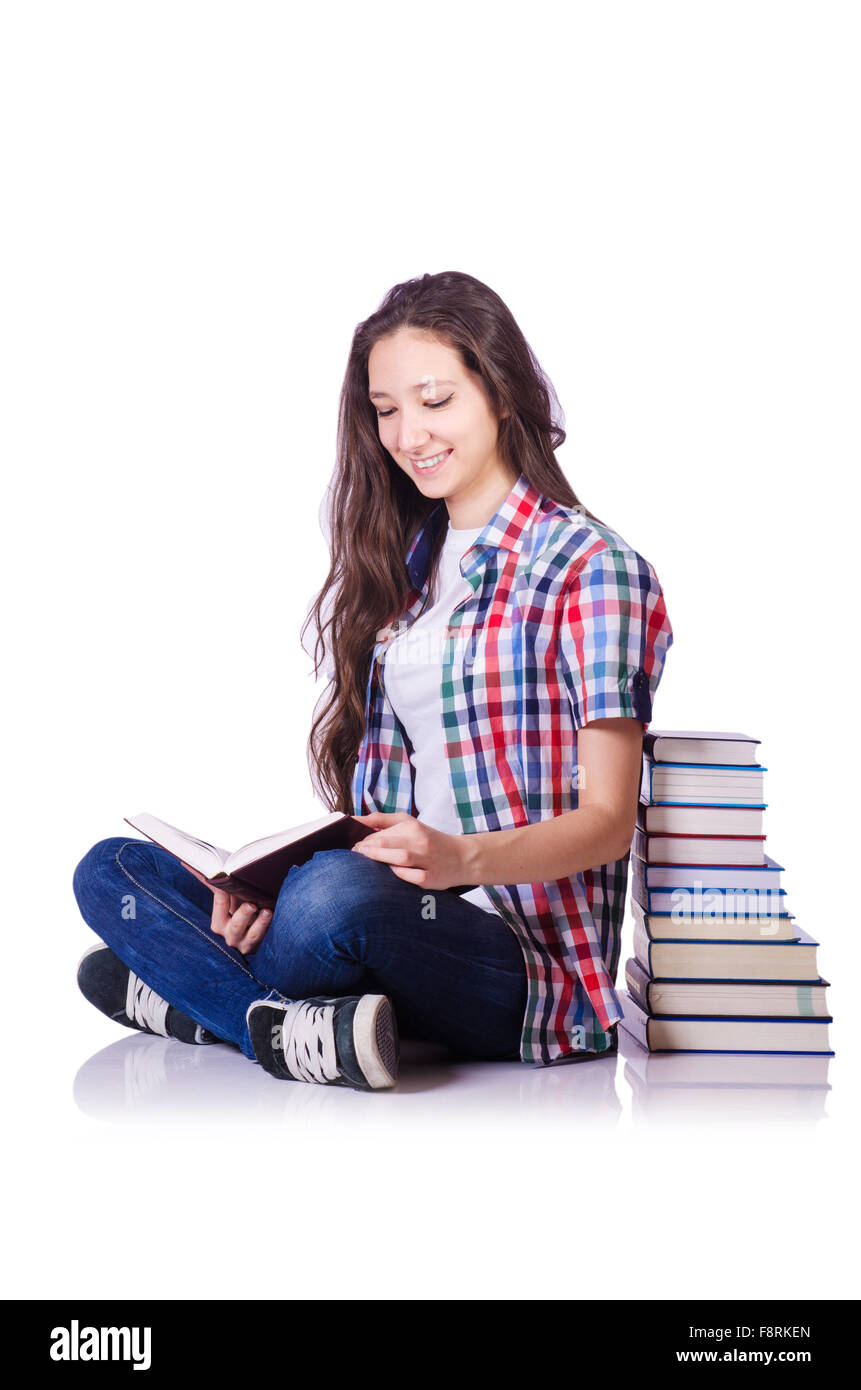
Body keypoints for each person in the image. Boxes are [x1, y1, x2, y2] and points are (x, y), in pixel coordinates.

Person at [72, 269, 674, 1092]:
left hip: (520, 970)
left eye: (434, 402)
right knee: (113, 872)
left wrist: (462, 857)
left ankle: (201, 1008)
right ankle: (283, 1024)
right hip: (389, 923)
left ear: (498, 393)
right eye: (385, 410)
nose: (407, 434)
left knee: (329, 901)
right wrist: (258, 888)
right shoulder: (407, 580)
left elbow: (607, 824)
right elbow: (379, 822)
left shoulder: (591, 568)